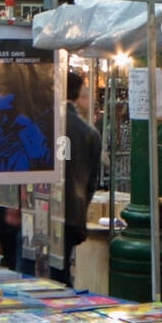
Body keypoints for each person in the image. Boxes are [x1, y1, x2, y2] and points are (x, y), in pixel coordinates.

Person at [56, 71, 102, 285]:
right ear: (76, 95)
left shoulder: (43, 122)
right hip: (73, 213)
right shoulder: (90, 133)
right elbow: (92, 181)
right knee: (62, 275)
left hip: (43, 213)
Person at [0, 92, 52, 173]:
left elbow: (42, 157)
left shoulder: (26, 127)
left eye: (7, 113)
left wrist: (29, 132)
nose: (5, 118)